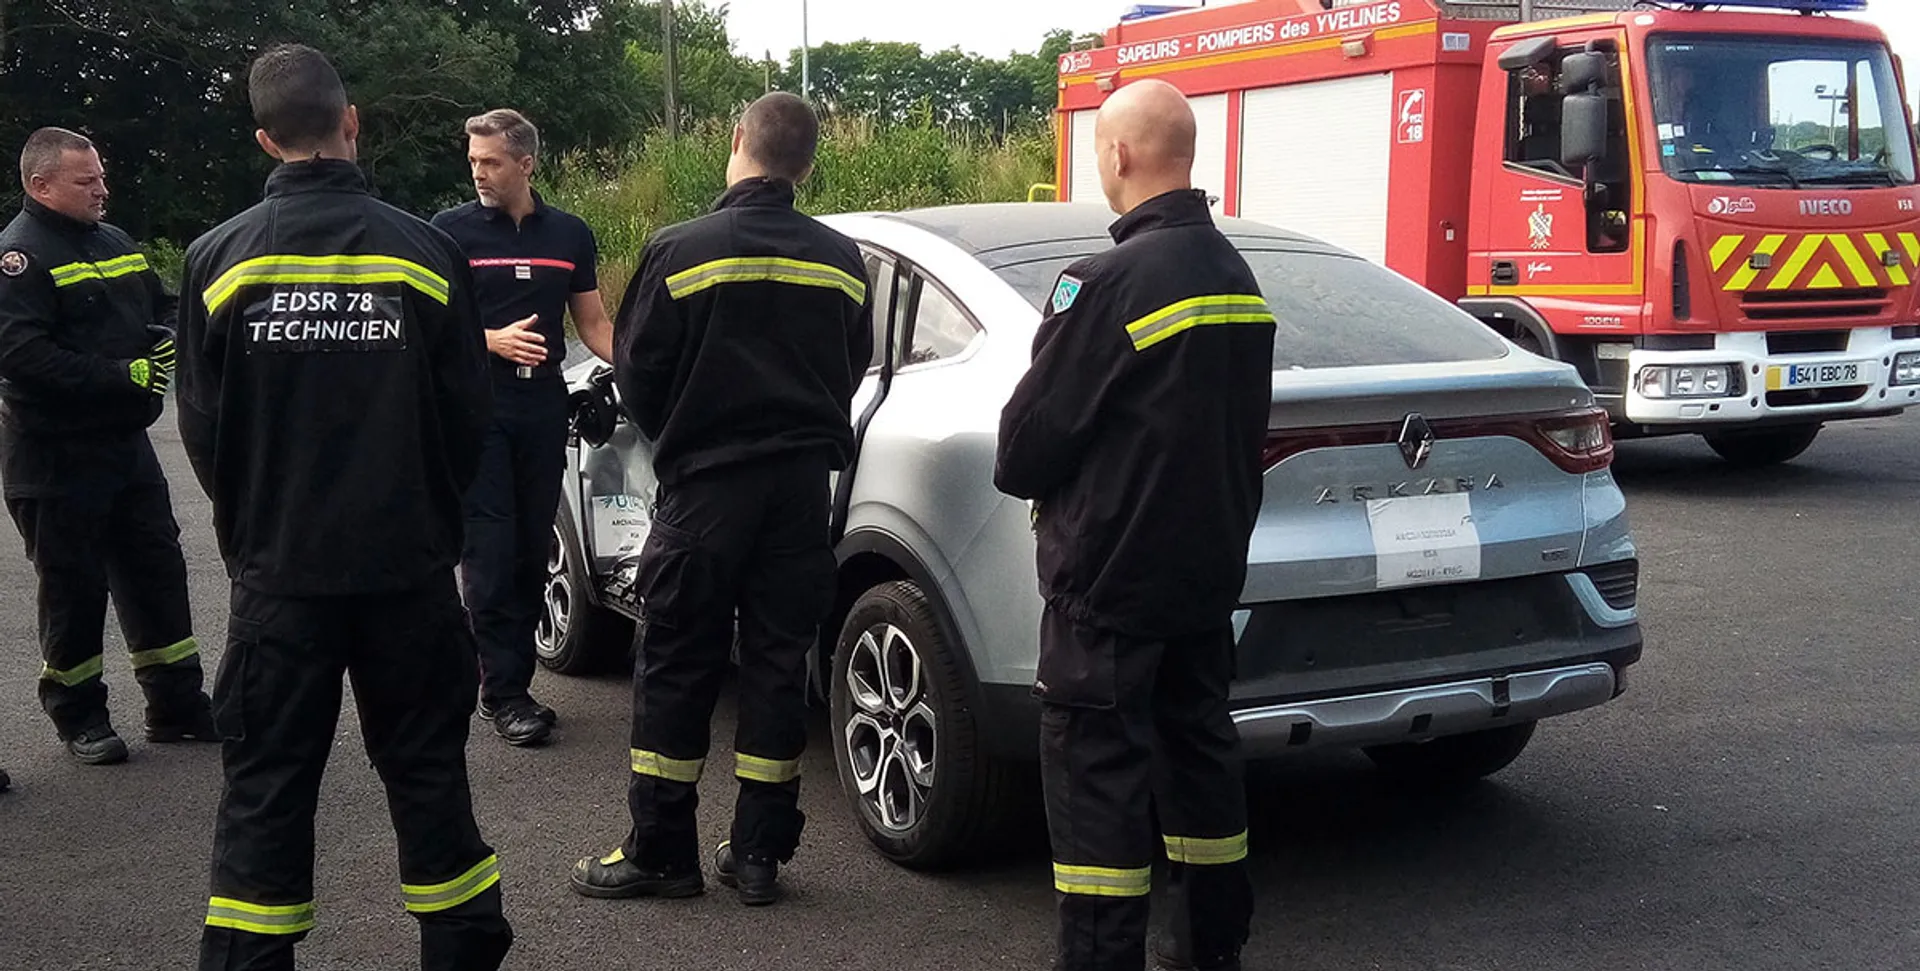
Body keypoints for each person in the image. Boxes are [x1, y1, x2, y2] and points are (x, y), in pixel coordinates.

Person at [176, 44, 511, 971]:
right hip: (408, 576)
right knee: (430, 778)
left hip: (281, 582)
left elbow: (205, 435)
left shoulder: (217, 259)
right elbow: (467, 419)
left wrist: (260, 529)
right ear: (350, 119)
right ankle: (462, 951)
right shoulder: (427, 250)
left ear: (262, 138)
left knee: (266, 792)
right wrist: (426, 523)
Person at [991, 78, 1275, 971]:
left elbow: (1026, 448)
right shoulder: (1235, 272)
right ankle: (1212, 949)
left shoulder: (1105, 282)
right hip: (1204, 576)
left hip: (1109, 588)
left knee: (1098, 797)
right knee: (1202, 770)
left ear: (1117, 155)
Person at [569, 91, 872, 907]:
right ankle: (760, 853)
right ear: (809, 163)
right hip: (799, 495)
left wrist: (685, 439)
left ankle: (663, 851)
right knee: (778, 667)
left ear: (738, 139)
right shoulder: (843, 259)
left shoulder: (681, 248)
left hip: (706, 490)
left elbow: (639, 375)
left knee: (675, 664)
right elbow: (851, 368)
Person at [0, 126, 216, 766]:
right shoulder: (19, 256)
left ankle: (176, 707)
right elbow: (20, 353)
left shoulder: (116, 242)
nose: (102, 189)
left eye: (100, 176)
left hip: (126, 448)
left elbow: (162, 304)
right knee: (74, 589)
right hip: (54, 456)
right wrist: (118, 375)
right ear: (40, 185)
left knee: (156, 573)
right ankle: (80, 716)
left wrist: (171, 336)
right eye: (85, 180)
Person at [432, 108, 614, 747]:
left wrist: (652, 367)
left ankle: (509, 680)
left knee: (534, 551)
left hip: (543, 413)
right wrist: (491, 340)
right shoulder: (449, 233)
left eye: (492, 161)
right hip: (477, 413)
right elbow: (429, 328)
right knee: (490, 554)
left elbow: (592, 326)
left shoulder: (568, 234)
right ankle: (501, 693)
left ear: (527, 163)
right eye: (473, 160)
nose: (478, 172)